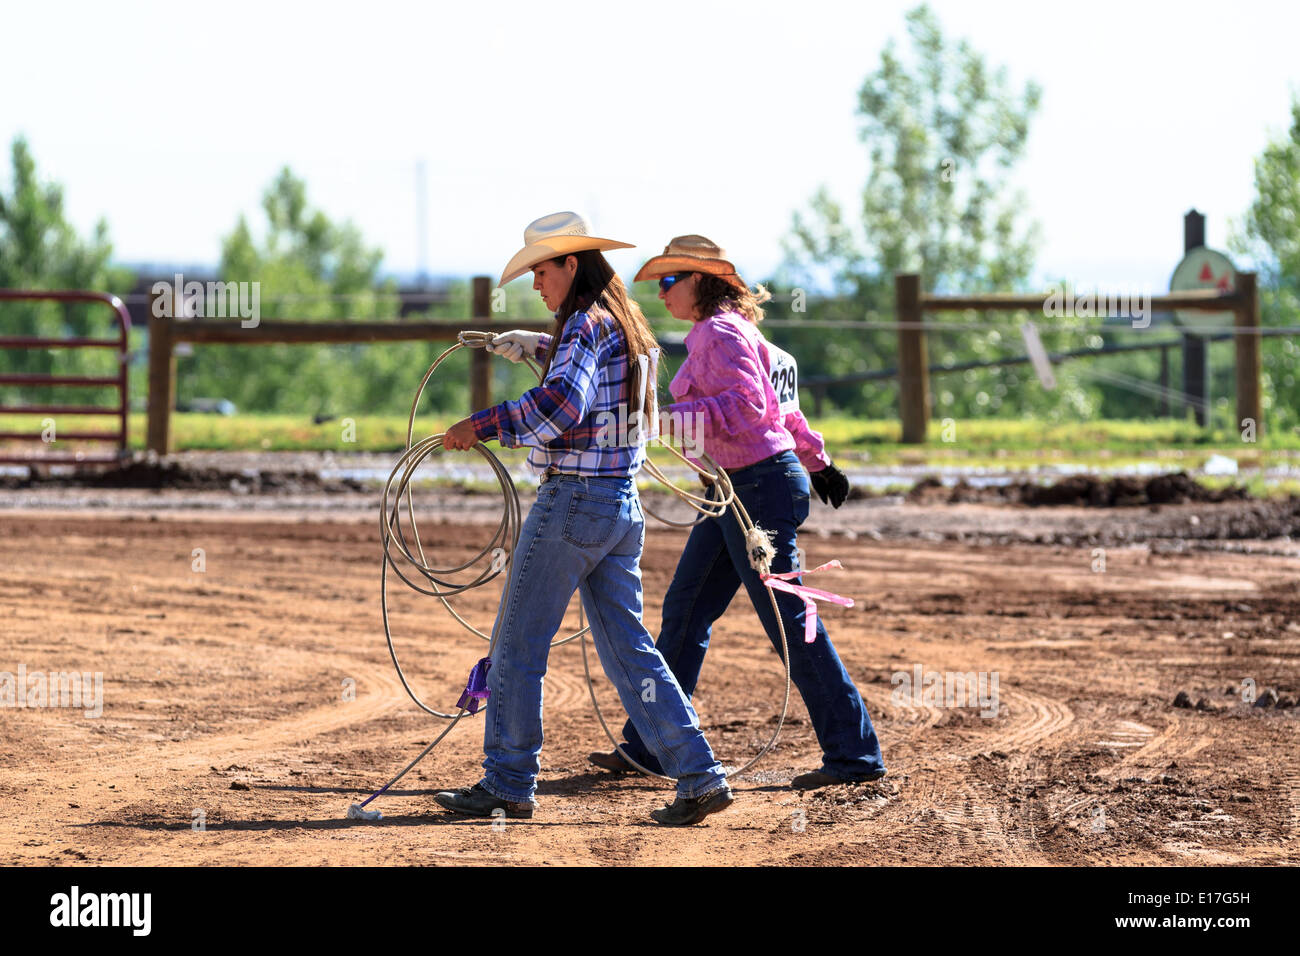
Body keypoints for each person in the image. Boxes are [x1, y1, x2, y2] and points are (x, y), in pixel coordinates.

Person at [434, 213, 733, 825]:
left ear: (572, 265)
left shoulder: (581, 324)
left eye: (542, 271)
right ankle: (699, 774)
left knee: (518, 643)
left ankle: (509, 782)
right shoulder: (626, 325)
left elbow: (563, 404)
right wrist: (540, 347)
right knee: (630, 649)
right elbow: (599, 389)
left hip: (571, 502)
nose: (538, 285)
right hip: (620, 508)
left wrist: (482, 425)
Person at [589, 234, 886, 789]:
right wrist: (817, 463)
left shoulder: (716, 332)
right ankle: (653, 744)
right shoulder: (747, 334)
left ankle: (854, 754)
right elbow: (782, 411)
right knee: (687, 609)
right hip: (745, 487)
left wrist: (659, 420)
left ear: (700, 280)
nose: (661, 292)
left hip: (751, 489)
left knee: (787, 623)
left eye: (670, 281)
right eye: (658, 283)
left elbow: (747, 408)